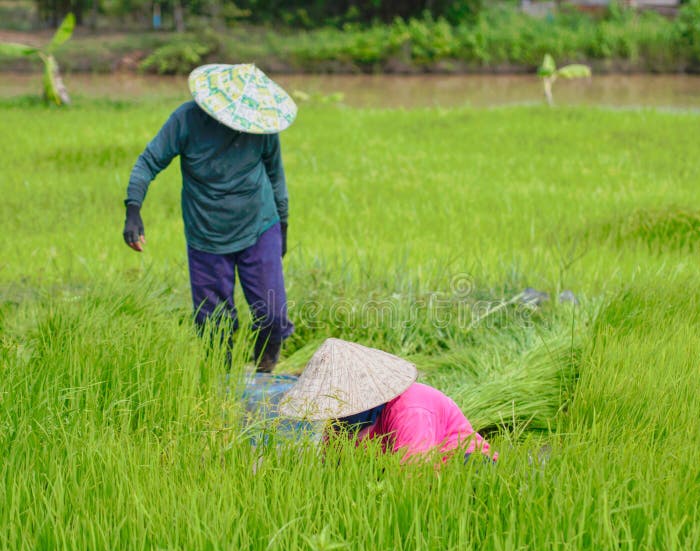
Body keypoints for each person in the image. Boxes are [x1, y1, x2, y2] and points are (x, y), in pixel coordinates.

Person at [122, 64, 297, 371]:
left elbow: (276, 175)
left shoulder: (261, 124)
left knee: (272, 314)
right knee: (214, 323)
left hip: (259, 225)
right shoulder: (186, 120)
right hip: (206, 234)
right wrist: (133, 209)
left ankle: (265, 369)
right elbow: (149, 161)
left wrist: (282, 226)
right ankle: (221, 381)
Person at [279, 338, 496, 463]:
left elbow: (415, 474)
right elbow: (333, 467)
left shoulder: (410, 407)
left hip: (462, 462)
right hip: (398, 467)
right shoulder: (340, 421)